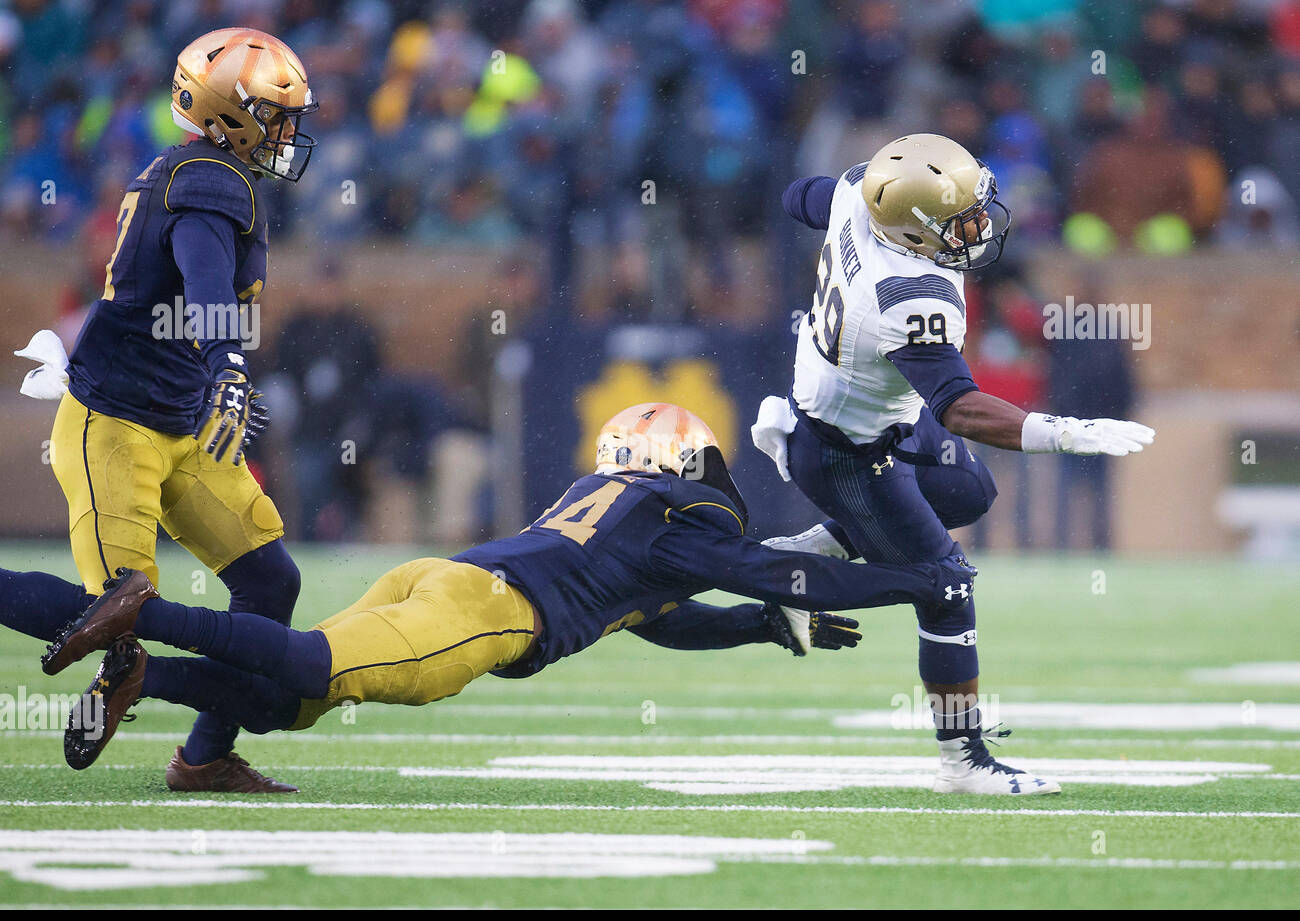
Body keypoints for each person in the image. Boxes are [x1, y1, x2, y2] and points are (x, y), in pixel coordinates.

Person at [38, 403, 975, 777]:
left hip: (441, 576)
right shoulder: (684, 515)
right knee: (308, 667)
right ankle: (143, 617)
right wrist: (916, 578)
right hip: (480, 614)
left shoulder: (609, 502)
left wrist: (758, 631)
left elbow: (652, 618)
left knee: (289, 698)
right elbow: (787, 570)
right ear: (687, 459)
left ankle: (147, 678)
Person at [753, 134, 1155, 794]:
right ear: (912, 231)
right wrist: (1064, 431)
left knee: (967, 491)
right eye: (958, 219)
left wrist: (834, 221)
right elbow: (961, 408)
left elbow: (803, 197)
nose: (978, 226)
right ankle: (963, 761)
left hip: (861, 415)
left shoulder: (861, 197)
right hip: (845, 452)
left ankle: (812, 548)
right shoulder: (910, 294)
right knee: (947, 586)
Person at [40, 28, 319, 792]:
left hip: (181, 422)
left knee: (270, 584)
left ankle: (203, 755)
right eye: (275, 113)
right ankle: (137, 678)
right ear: (232, 112)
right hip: (115, 425)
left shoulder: (207, 171)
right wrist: (228, 363)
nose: (289, 130)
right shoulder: (210, 176)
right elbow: (204, 287)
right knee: (121, 609)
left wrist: (214, 378)